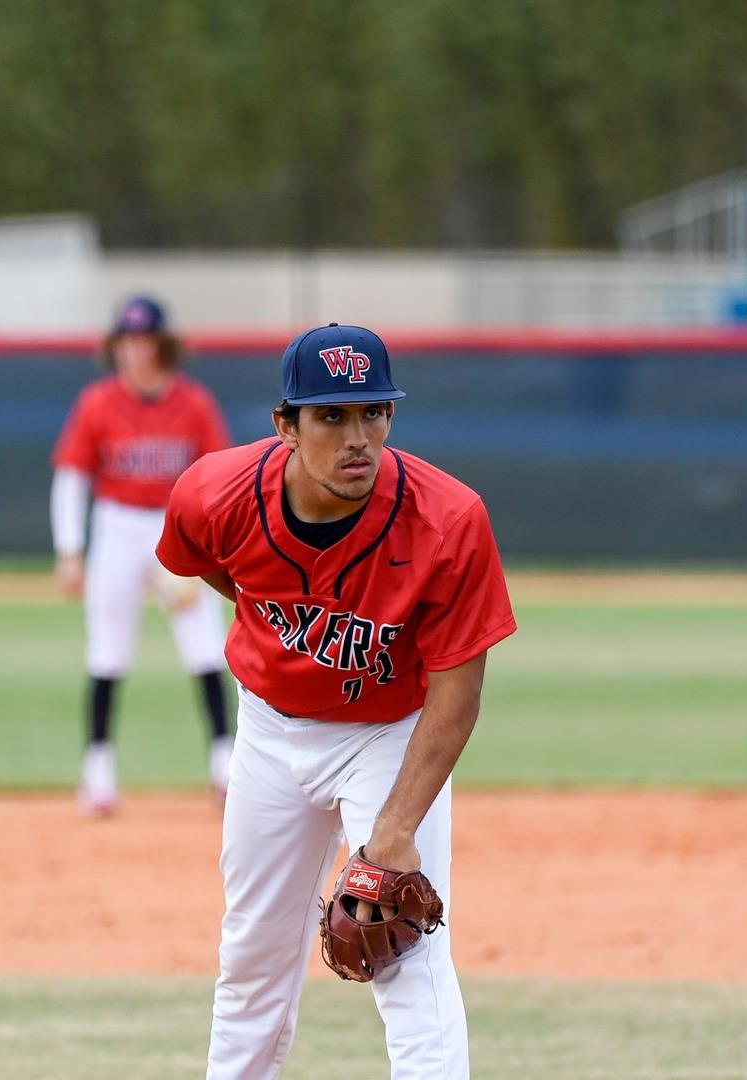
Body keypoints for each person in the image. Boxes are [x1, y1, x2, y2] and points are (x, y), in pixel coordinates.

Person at [156, 323, 516, 1079]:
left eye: (373, 413)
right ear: (284, 425)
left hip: (387, 734)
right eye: (330, 416)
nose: (357, 437)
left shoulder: (449, 521)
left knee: (404, 957)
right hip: (267, 730)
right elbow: (217, 568)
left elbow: (457, 693)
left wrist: (392, 833)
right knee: (251, 953)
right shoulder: (213, 493)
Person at [51, 295, 236, 817]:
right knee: (108, 651)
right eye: (127, 340)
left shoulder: (194, 403)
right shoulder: (97, 402)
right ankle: (99, 772)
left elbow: (217, 479)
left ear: (163, 344)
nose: (134, 350)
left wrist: (212, 544)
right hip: (116, 528)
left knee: (205, 644)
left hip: (176, 529)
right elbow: (70, 477)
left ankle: (224, 767)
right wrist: (69, 550)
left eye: (144, 339)